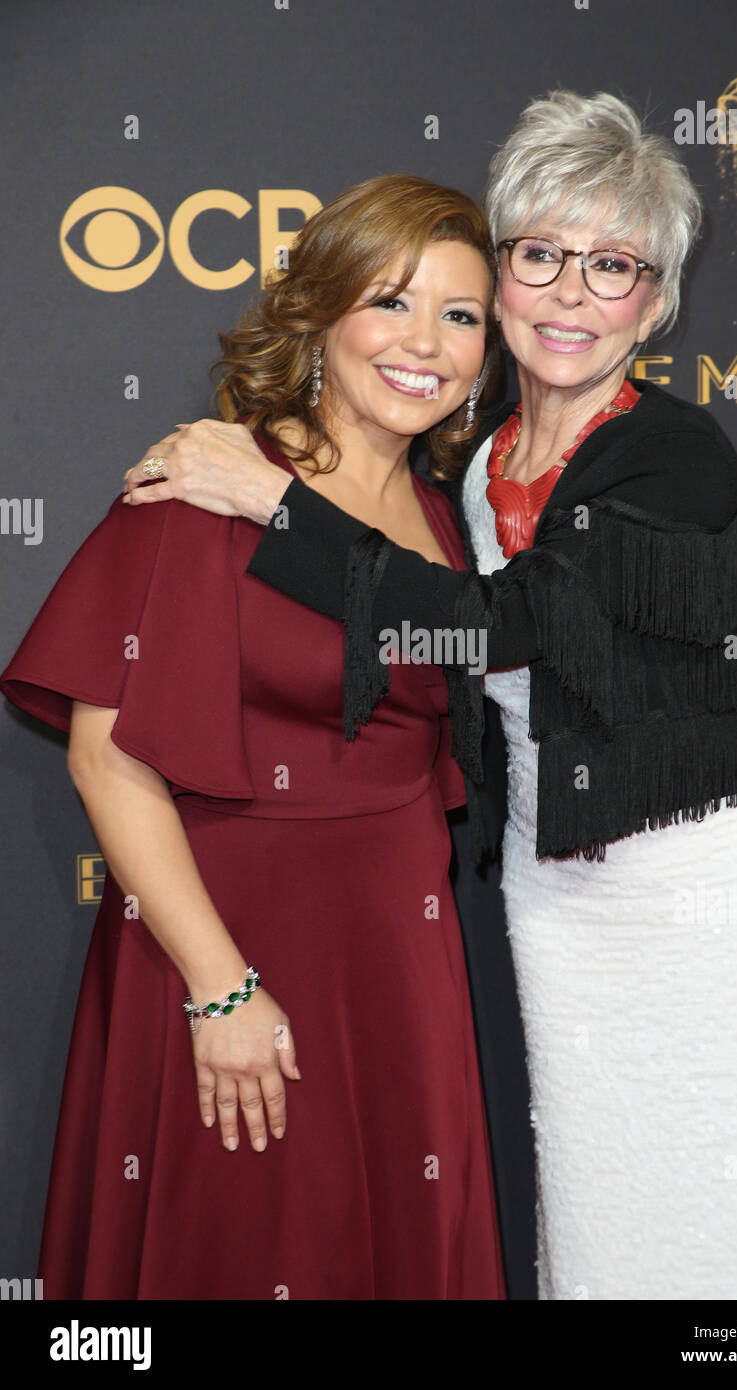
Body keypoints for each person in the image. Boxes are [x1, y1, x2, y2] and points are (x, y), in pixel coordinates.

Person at [122, 92, 737, 1302]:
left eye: (613, 265)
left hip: (723, 889)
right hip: (563, 898)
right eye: (540, 256)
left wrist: (271, 504)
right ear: (503, 274)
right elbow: (453, 644)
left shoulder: (670, 451)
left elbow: (501, 624)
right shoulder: (463, 461)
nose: (572, 294)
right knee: (614, 1210)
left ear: (657, 302)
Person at [0, 174, 508, 1300]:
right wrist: (221, 988)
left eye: (460, 316)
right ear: (322, 315)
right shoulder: (206, 480)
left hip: (398, 965)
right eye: (390, 300)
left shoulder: (443, 520)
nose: (425, 342)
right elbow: (110, 756)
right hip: (225, 953)